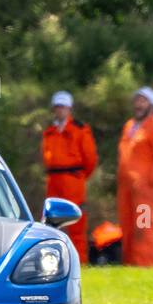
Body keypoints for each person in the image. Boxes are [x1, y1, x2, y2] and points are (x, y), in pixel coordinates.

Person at [116, 87, 153, 267]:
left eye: (144, 101)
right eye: (137, 100)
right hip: (126, 188)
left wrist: (150, 184)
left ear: (150, 104)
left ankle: (146, 266)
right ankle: (130, 264)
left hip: (144, 191)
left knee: (144, 227)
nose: (139, 104)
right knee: (127, 226)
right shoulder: (129, 125)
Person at [40, 91, 98, 262]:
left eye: (63, 107)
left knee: (77, 223)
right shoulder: (49, 132)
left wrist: (79, 176)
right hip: (53, 181)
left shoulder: (80, 129)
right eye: (57, 107)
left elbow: (90, 158)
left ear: (69, 108)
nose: (60, 110)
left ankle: (81, 262)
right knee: (50, 222)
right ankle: (53, 261)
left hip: (73, 179)